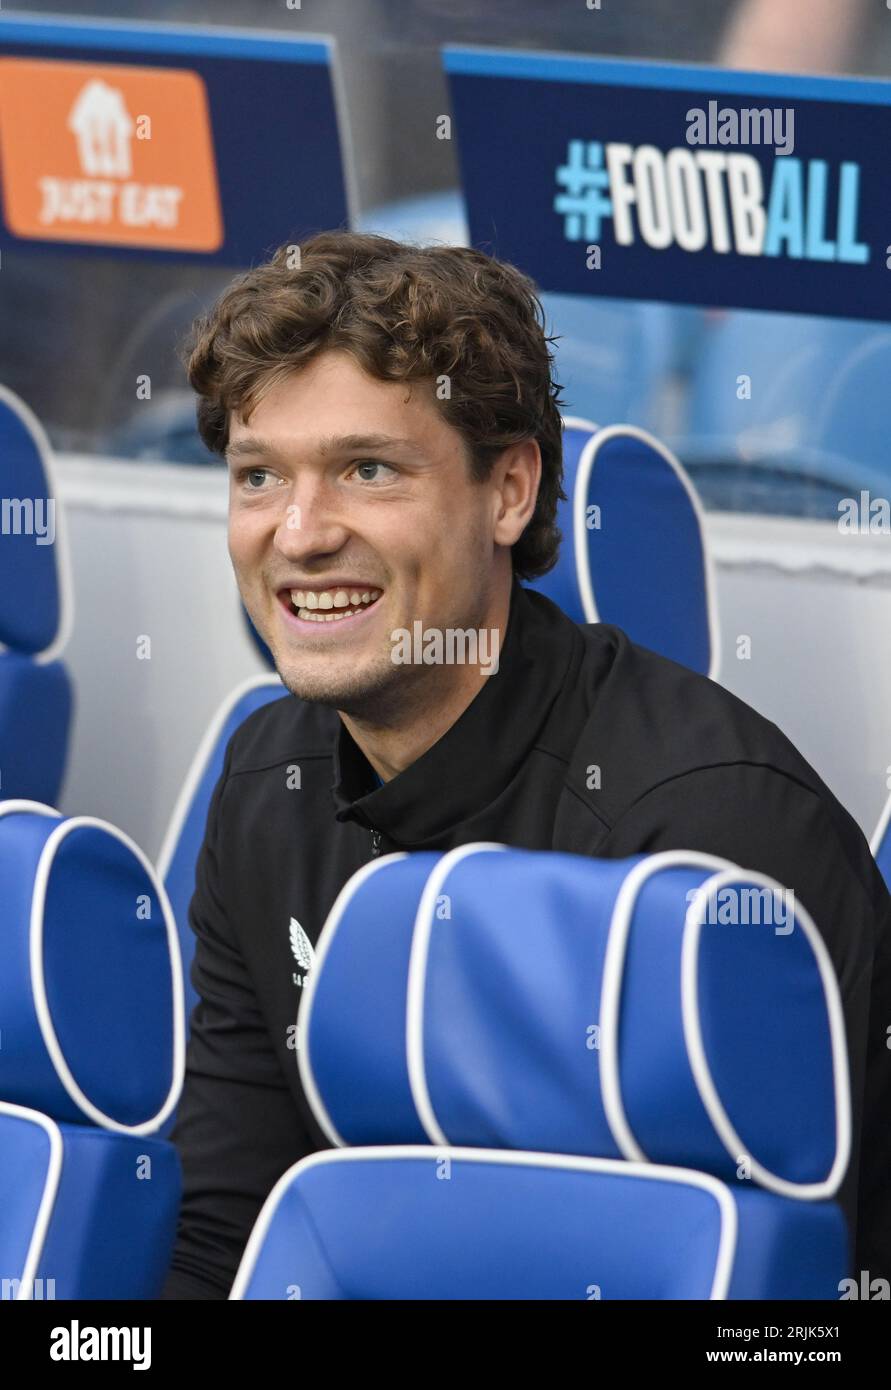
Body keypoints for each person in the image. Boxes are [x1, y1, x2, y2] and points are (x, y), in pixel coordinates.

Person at [160, 230, 890, 1298]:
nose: (300, 533)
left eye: (368, 469)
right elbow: (223, 1239)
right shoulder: (268, 781)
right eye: (259, 476)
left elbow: (815, 1298)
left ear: (509, 491)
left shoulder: (708, 831)